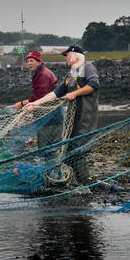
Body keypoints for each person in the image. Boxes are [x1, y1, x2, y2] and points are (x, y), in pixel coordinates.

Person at [29, 44, 99, 185]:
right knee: (69, 148)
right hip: (72, 118)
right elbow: (56, 93)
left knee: (78, 149)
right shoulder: (72, 73)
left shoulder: (88, 67)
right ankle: (75, 181)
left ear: (74, 55)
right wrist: (35, 103)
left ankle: (85, 183)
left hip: (85, 116)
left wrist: (74, 93)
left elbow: (94, 85)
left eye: (67, 55)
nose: (66, 58)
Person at [13, 50, 59, 147]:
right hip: (46, 115)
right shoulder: (40, 73)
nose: (29, 63)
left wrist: (22, 104)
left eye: (32, 61)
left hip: (50, 117)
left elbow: (40, 97)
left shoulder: (43, 75)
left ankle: (51, 162)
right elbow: (37, 96)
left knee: (47, 146)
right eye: (28, 61)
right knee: (45, 145)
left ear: (38, 62)